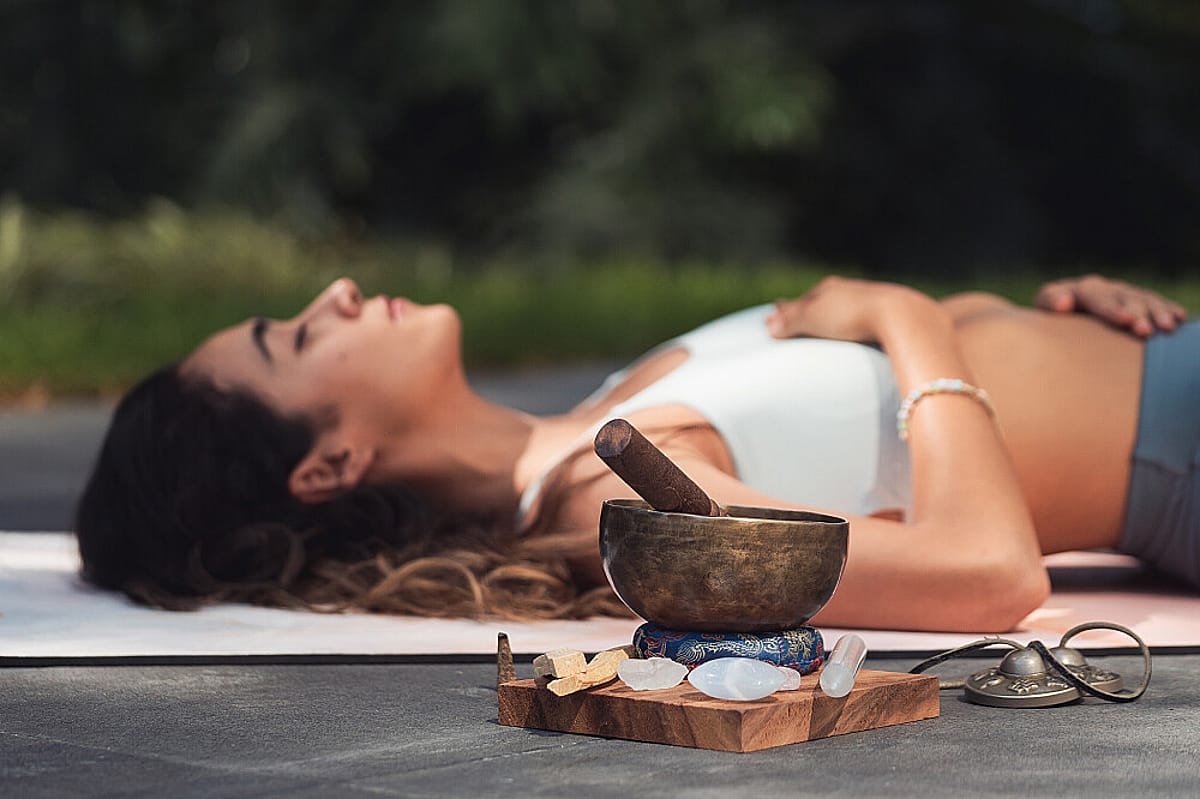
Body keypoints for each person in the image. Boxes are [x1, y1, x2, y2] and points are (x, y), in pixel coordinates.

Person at [75, 273, 1196, 631]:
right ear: (328, 466)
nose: (332, 293)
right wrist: (912, 316)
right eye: (295, 338)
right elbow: (988, 574)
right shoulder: (615, 502)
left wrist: (1034, 313)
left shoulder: (599, 413)